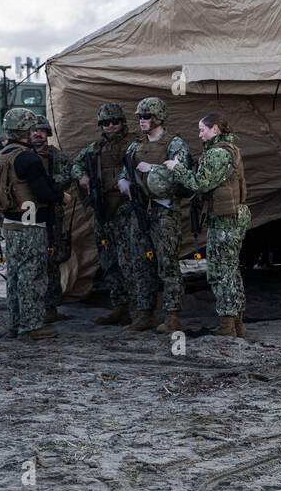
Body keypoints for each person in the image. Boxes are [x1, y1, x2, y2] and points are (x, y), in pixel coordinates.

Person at [164, 112, 250, 337]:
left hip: (226, 221)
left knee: (220, 272)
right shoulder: (230, 149)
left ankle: (227, 325)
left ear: (215, 130)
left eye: (203, 129)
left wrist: (176, 168)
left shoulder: (217, 154)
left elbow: (200, 184)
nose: (200, 134)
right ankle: (236, 324)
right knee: (230, 270)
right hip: (231, 217)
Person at [120, 96, 190, 332]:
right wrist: (123, 182)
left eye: (146, 116)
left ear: (159, 117)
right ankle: (144, 312)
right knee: (140, 262)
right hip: (140, 209)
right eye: (139, 116)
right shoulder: (134, 146)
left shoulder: (174, 144)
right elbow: (125, 172)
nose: (141, 120)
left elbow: (182, 177)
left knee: (168, 263)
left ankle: (172, 315)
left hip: (164, 210)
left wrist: (152, 169)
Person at [0, 108, 65, 340]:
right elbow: (43, 192)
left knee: (15, 275)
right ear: (26, 129)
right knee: (32, 275)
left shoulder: (3, 154)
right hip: (31, 223)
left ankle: (15, 323)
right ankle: (32, 326)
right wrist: (61, 196)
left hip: (11, 223)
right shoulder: (27, 157)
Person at [71, 103, 141, 326]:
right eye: (106, 123)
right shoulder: (95, 148)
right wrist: (82, 176)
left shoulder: (134, 145)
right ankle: (120, 307)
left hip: (126, 210)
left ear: (122, 122)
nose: (111, 126)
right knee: (108, 260)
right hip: (104, 210)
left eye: (115, 122)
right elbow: (75, 165)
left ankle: (139, 309)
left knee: (131, 261)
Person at [31, 116, 73, 322]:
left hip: (52, 215)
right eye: (34, 130)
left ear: (48, 133)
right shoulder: (23, 157)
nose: (37, 133)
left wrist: (42, 186)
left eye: (41, 130)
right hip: (28, 215)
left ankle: (51, 307)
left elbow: (64, 180)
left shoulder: (59, 158)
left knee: (52, 260)